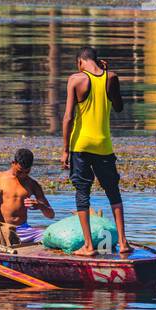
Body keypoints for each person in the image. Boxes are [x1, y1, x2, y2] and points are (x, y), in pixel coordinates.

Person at [61, 46, 131, 257]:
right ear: (96, 60)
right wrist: (110, 79)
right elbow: (118, 107)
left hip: (80, 145)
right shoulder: (112, 77)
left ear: (80, 62)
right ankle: (124, 243)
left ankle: (89, 246)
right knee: (113, 192)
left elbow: (68, 118)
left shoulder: (75, 79)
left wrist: (65, 150)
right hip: (104, 145)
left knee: (82, 192)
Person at [0, 148, 54, 245]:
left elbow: (51, 215)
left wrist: (40, 205)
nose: (23, 175)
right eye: (20, 171)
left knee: (50, 235)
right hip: (2, 228)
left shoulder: (33, 184)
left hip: (23, 231)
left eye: (27, 172)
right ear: (13, 163)